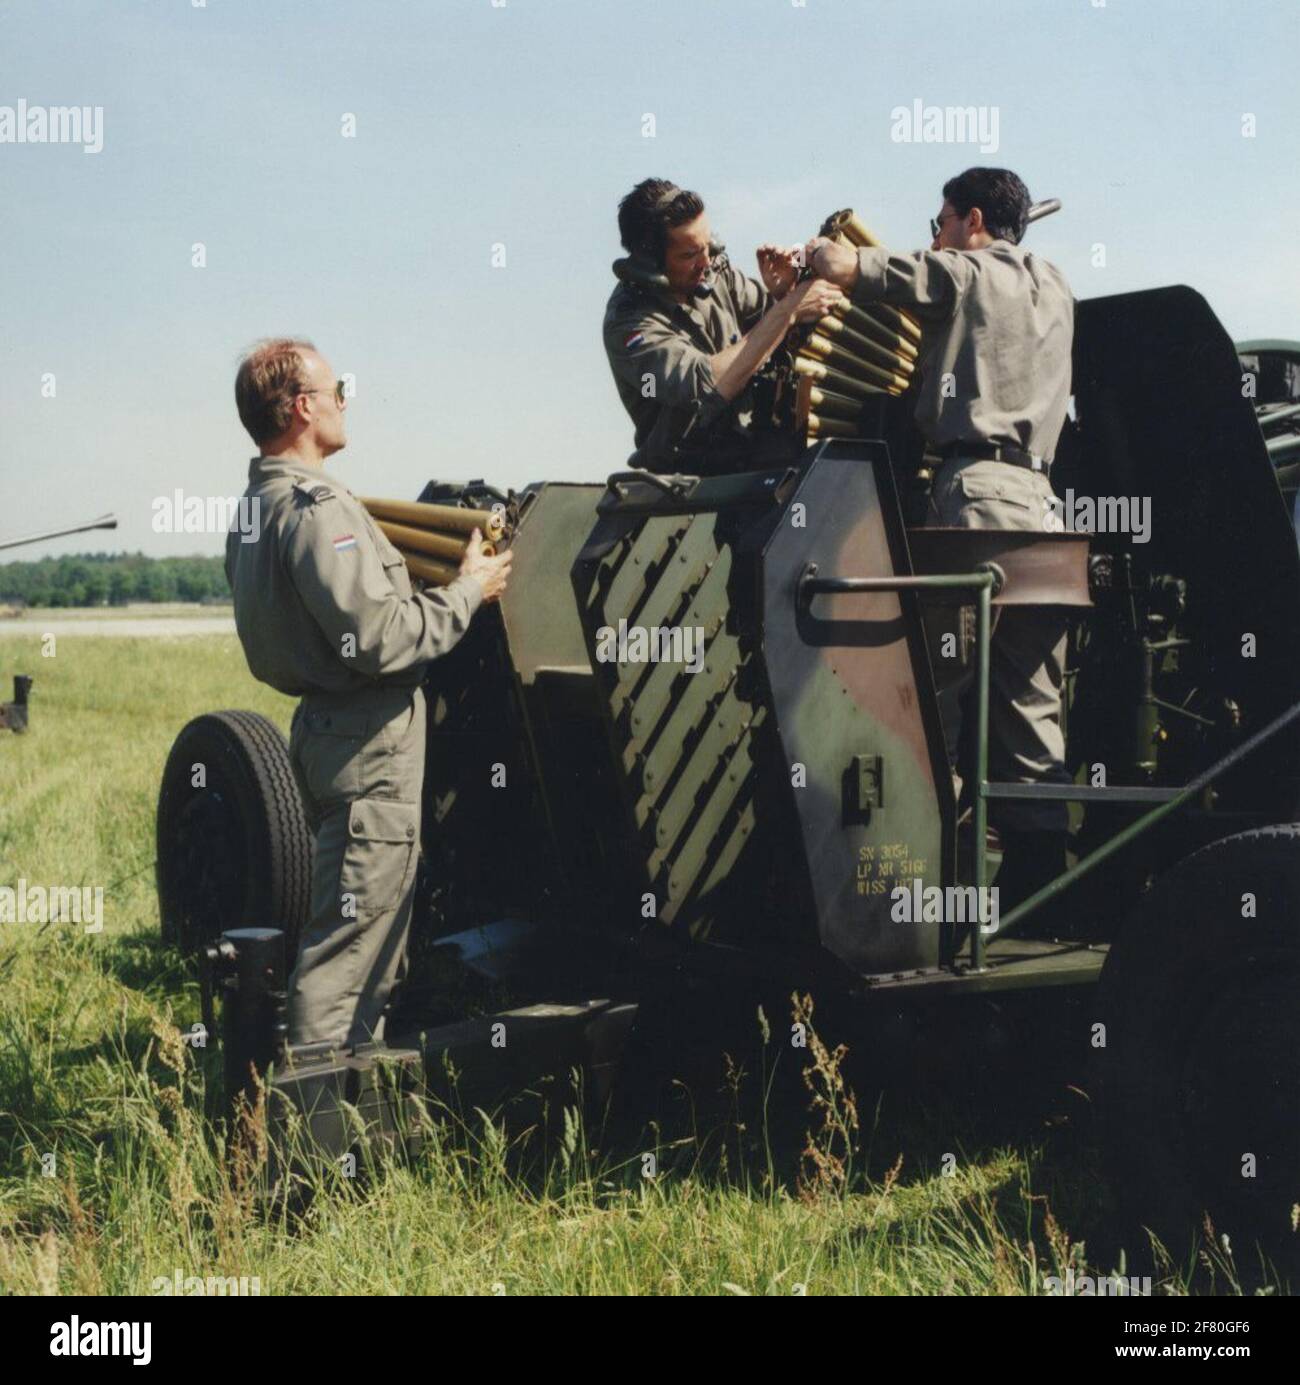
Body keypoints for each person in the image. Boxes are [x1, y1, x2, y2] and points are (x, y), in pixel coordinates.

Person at [225, 337, 512, 1051]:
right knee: (346, 949)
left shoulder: (257, 506)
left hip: (327, 732)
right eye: (336, 389)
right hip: (369, 742)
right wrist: (468, 593)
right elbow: (379, 639)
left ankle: (348, 1101)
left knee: (366, 931)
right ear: (301, 407)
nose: (345, 400)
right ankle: (301, 1133)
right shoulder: (320, 510)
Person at [807, 167, 1075, 908]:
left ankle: (929, 894)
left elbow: (857, 267)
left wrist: (811, 257)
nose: (939, 234)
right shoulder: (1056, 287)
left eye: (942, 221)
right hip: (1042, 512)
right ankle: (1038, 895)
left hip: (976, 503)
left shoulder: (961, 272)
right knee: (1030, 706)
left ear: (974, 221)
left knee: (932, 698)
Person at [603, 177, 843, 474]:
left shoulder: (713, 273)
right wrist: (788, 309)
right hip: (689, 475)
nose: (705, 261)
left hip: (750, 448)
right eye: (689, 255)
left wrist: (781, 294)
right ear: (651, 262)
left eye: (707, 246)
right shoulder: (631, 323)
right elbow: (707, 386)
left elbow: (771, 328)